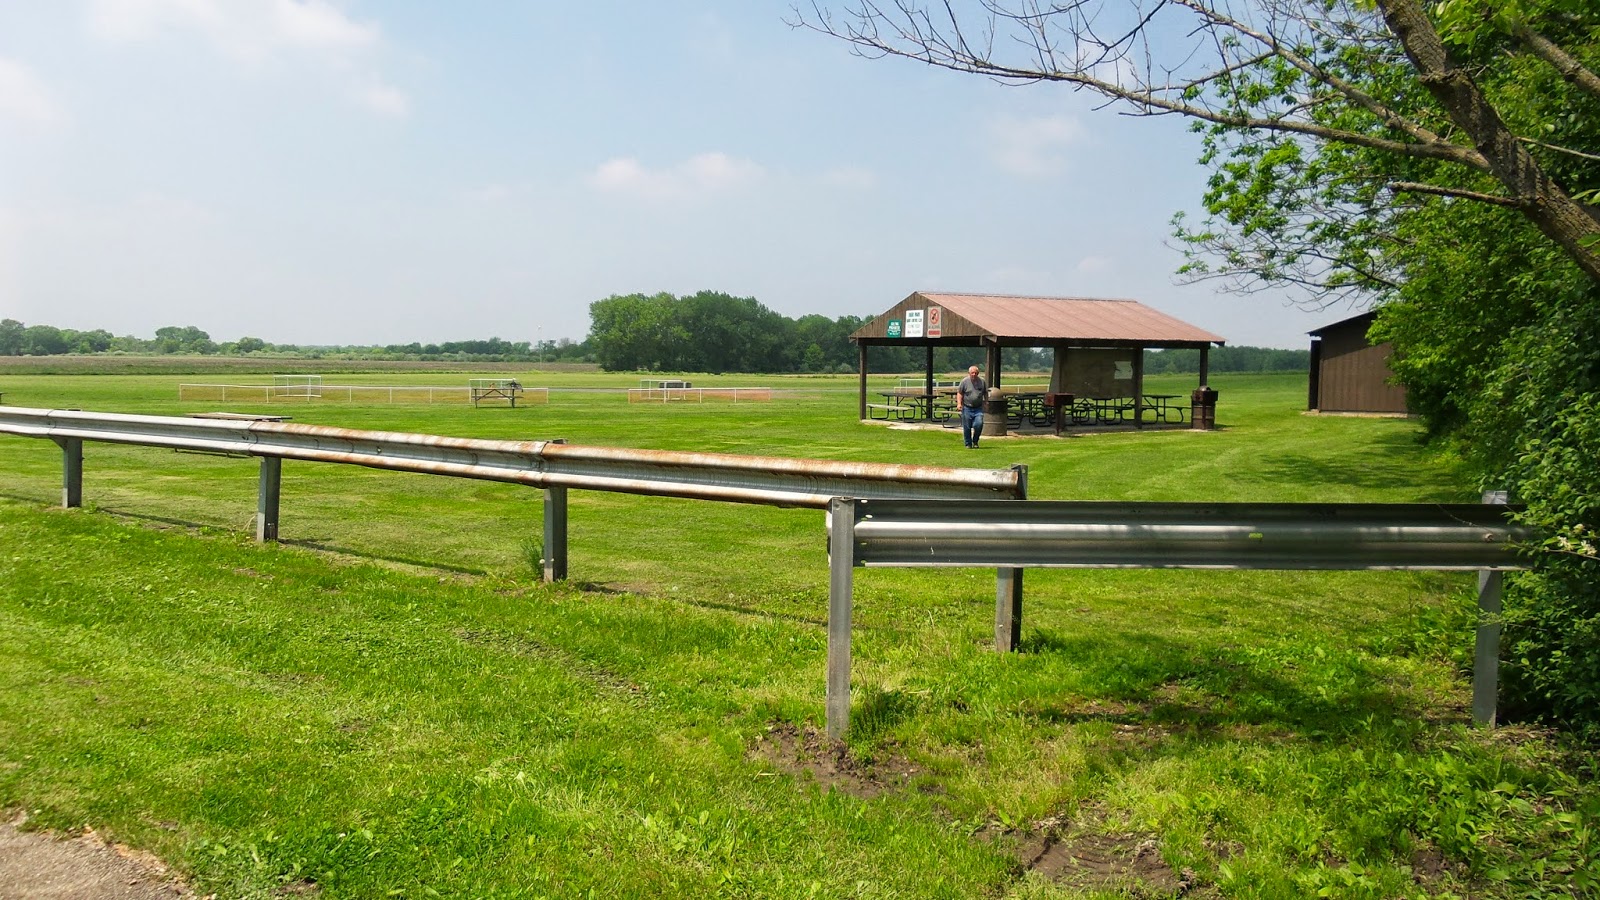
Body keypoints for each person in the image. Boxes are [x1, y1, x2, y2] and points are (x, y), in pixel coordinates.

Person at [957, 365, 987, 448]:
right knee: (967, 427)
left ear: (978, 373)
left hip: (978, 408)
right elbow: (960, 393)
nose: (974, 374)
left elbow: (985, 392)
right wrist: (959, 404)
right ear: (969, 373)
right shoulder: (964, 381)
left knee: (979, 424)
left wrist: (986, 402)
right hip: (967, 407)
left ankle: (975, 441)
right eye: (972, 373)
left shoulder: (982, 381)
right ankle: (968, 443)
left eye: (976, 373)